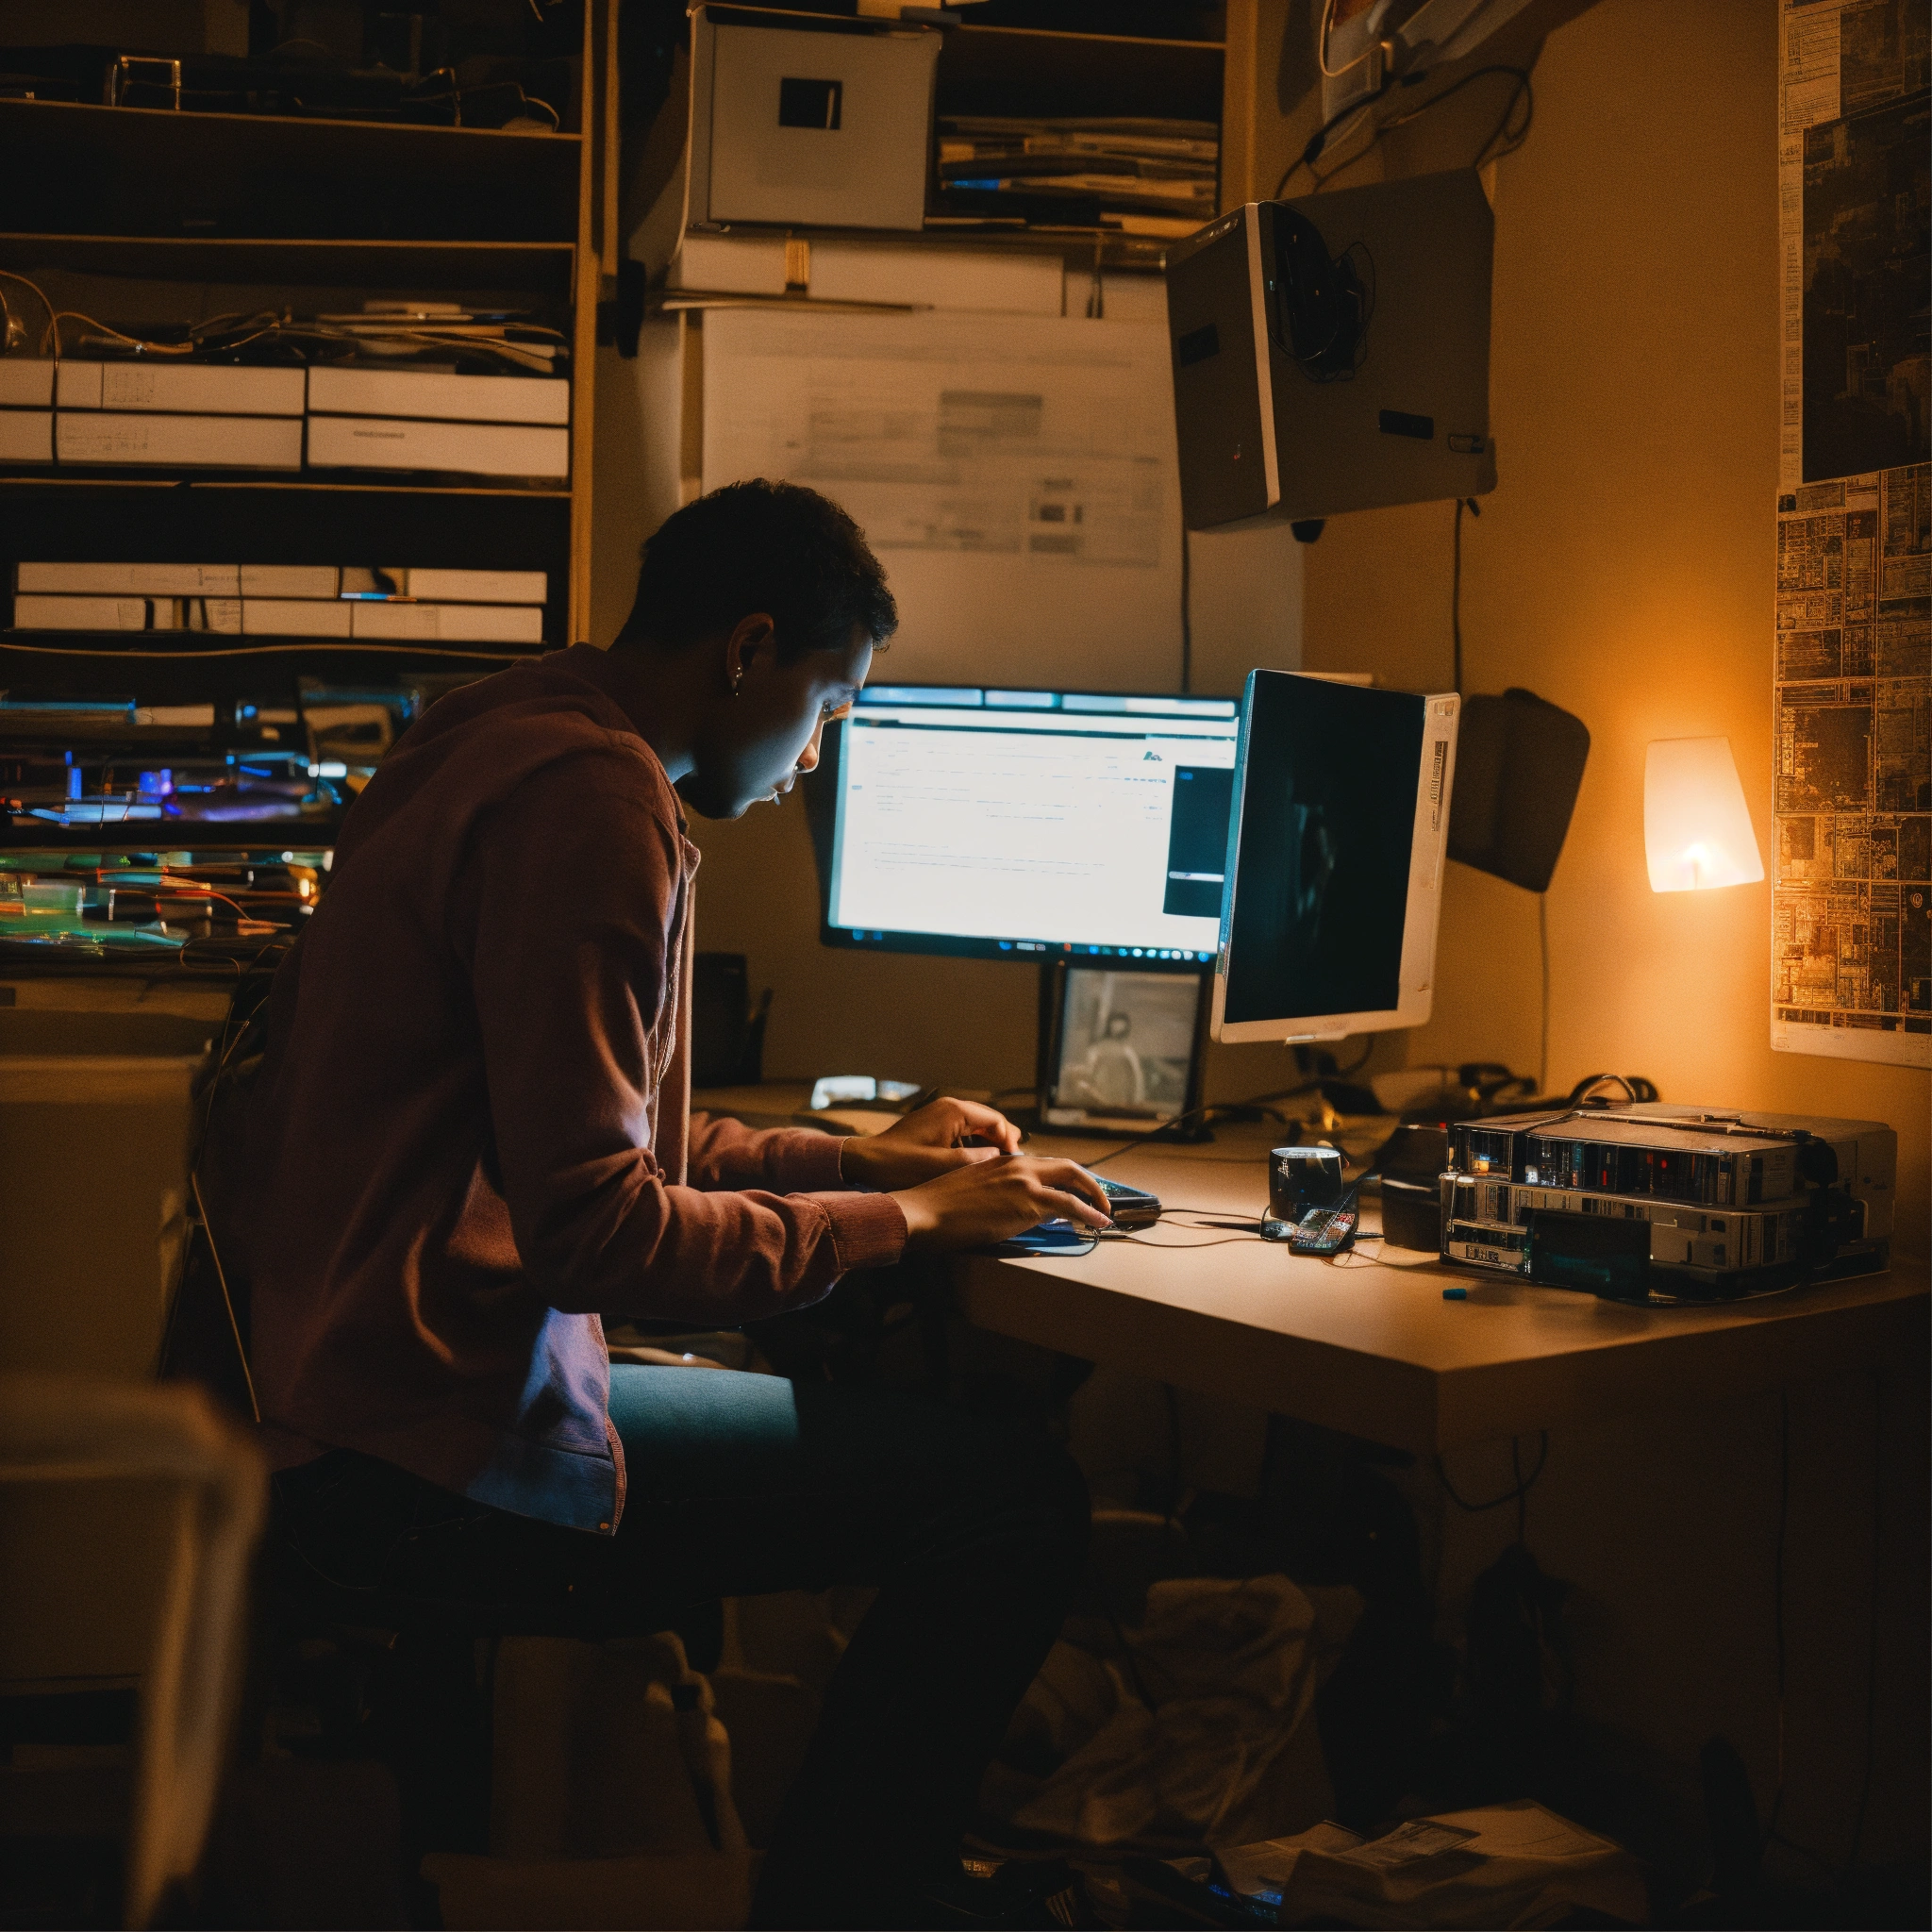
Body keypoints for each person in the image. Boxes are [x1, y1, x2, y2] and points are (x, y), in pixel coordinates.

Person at [246, 479, 1111, 1928]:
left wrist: (868, 1161)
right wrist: (917, 1228)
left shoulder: (499, 734)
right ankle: (854, 1904)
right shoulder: (592, 802)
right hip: (420, 1442)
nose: (815, 754)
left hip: (342, 1392)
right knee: (1011, 1497)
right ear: (749, 648)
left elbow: (611, 1140)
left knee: (932, 1453)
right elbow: (602, 1233)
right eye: (828, 703)